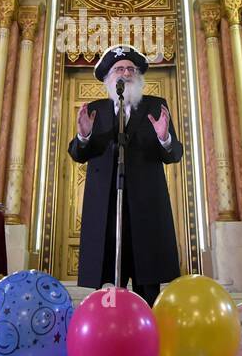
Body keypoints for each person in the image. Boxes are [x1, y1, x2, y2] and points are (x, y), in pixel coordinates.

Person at [68, 44, 182, 305]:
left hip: (146, 211)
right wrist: (84, 135)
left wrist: (164, 137)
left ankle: (148, 334)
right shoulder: (95, 110)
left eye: (131, 69)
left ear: (139, 77)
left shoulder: (156, 106)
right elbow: (77, 153)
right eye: (119, 69)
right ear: (109, 78)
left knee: (148, 284)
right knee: (109, 283)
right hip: (108, 209)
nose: (126, 73)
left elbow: (174, 154)